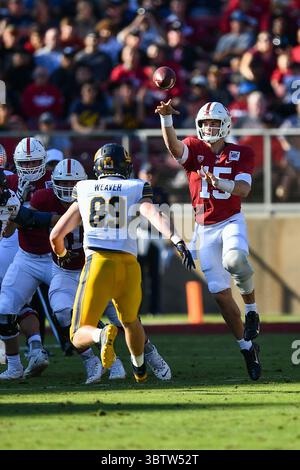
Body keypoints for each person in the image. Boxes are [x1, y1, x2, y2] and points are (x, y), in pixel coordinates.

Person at [50, 143, 194, 382]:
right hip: (129, 265)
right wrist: (177, 239)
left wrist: (62, 253)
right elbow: (153, 214)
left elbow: (56, 235)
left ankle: (101, 335)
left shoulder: (85, 188)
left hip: (99, 262)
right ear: (125, 166)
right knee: (130, 321)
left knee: (77, 334)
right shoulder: (135, 186)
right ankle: (139, 367)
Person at [155, 100, 262, 381]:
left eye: (214, 122)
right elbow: (174, 148)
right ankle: (247, 347)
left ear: (225, 124)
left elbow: (244, 190)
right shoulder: (196, 148)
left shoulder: (242, 152)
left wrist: (220, 183)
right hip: (205, 228)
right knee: (220, 296)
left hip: (230, 221)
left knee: (236, 259)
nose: (209, 128)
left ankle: (252, 311)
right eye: (205, 123)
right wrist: (167, 120)